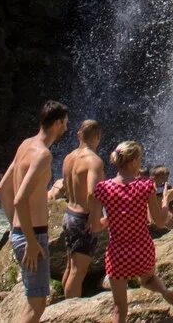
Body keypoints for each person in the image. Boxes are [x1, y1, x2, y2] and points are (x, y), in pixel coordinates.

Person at [94, 140, 173, 323]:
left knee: (119, 309)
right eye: (139, 160)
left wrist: (109, 220)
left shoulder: (103, 188)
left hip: (118, 253)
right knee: (147, 280)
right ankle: (165, 292)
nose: (140, 164)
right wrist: (165, 201)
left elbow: (95, 225)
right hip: (142, 249)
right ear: (131, 162)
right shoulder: (145, 186)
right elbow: (160, 222)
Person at [0, 100, 70, 323]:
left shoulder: (25, 144)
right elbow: (19, 199)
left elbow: (2, 190)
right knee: (36, 306)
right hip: (33, 236)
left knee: (34, 302)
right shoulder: (43, 155)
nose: (67, 126)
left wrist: (14, 227)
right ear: (57, 122)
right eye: (65, 122)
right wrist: (29, 240)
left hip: (22, 231)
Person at [59, 119, 105, 299]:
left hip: (69, 213)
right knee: (78, 271)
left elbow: (64, 185)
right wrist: (94, 218)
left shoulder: (68, 157)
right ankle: (71, 313)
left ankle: (62, 307)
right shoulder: (94, 161)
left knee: (71, 267)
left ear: (79, 135)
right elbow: (93, 192)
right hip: (83, 219)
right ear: (98, 136)